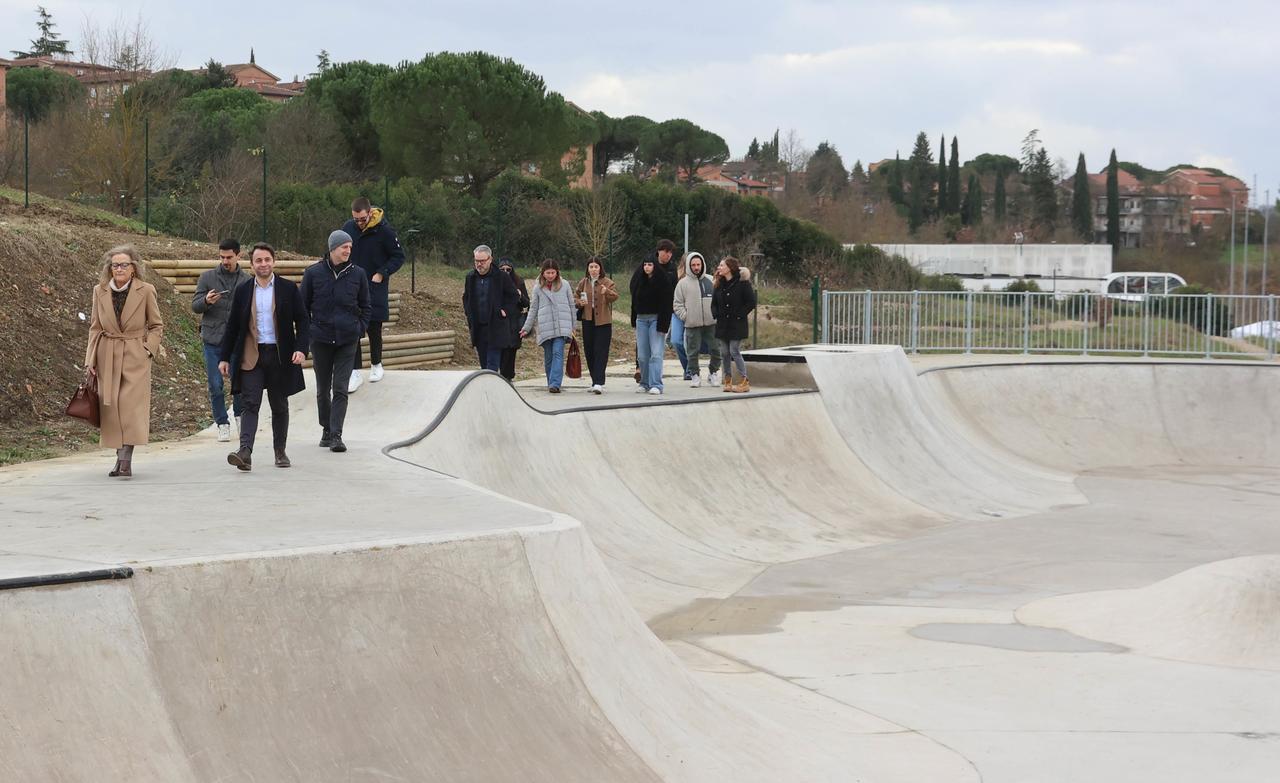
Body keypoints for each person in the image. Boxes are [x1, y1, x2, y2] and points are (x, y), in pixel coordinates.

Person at [219, 243, 309, 471]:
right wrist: (224, 357)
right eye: (258, 260)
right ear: (251, 265)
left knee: (279, 405)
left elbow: (303, 320)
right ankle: (245, 452)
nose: (263, 264)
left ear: (274, 261)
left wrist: (301, 348)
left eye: (267, 259)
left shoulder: (288, 289)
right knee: (250, 404)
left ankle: (280, 451)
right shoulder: (243, 290)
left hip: (280, 356)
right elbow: (232, 327)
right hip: (252, 355)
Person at [84, 245, 164, 478]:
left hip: (135, 355)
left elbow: (156, 325)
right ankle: (120, 459)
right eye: (115, 265)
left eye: (124, 265)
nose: (119, 269)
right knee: (112, 408)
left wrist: (147, 349)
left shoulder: (146, 290)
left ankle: (125, 460)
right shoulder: (99, 291)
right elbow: (95, 327)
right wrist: (90, 359)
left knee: (130, 408)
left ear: (134, 268)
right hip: (106, 354)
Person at [301, 230, 370, 454]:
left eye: (350, 247)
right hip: (320, 339)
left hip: (347, 340)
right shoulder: (313, 273)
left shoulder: (358, 274)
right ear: (333, 249)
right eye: (344, 247)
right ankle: (326, 428)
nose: (348, 251)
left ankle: (336, 434)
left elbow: (366, 307)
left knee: (340, 388)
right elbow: (303, 308)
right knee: (323, 389)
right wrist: (309, 331)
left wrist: (359, 329)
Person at [343, 196, 404, 391]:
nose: (359, 223)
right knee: (353, 330)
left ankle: (377, 365)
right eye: (356, 220)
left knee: (373, 328)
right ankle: (354, 372)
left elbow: (398, 256)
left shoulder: (384, 231)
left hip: (374, 285)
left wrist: (382, 272)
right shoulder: (348, 228)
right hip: (352, 285)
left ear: (370, 213)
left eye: (362, 219)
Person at [191, 238, 248, 442]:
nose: (225, 261)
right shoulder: (207, 277)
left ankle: (241, 418)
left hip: (237, 341)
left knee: (239, 384)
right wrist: (206, 301)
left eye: (229, 257)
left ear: (238, 255)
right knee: (215, 385)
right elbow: (195, 305)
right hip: (213, 339)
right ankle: (222, 422)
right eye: (222, 257)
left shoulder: (246, 280)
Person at [521, 259, 577, 393]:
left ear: (557, 272)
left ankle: (555, 383)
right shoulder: (537, 288)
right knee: (549, 357)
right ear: (543, 273)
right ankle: (550, 382)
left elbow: (571, 305)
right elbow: (533, 309)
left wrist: (573, 325)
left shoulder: (565, 285)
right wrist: (526, 328)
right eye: (548, 272)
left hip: (562, 326)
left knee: (558, 352)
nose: (550, 275)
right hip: (545, 327)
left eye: (553, 272)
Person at [463, 245, 519, 373]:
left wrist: (505, 310)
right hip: (478, 327)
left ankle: (491, 388)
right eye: (476, 261)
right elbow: (466, 297)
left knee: (492, 364)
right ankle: (488, 388)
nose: (479, 264)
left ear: (490, 259)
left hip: (496, 327)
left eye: (482, 261)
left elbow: (513, 296)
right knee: (484, 364)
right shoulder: (470, 277)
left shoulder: (501, 277)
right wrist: (469, 313)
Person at [673, 251, 721, 388]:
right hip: (692, 324)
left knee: (716, 350)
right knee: (692, 352)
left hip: (711, 323)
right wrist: (686, 316)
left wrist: (716, 315)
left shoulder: (711, 280)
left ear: (702, 264)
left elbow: (718, 300)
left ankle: (713, 373)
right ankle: (694, 374)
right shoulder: (682, 284)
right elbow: (677, 304)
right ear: (689, 265)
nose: (696, 267)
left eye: (698, 264)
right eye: (693, 264)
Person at [574, 257, 619, 394]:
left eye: (596, 267)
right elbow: (575, 297)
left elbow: (615, 297)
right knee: (589, 351)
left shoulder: (607, 282)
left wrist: (607, 292)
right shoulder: (583, 282)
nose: (593, 269)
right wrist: (578, 302)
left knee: (601, 351)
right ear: (588, 269)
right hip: (588, 320)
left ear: (600, 268)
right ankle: (594, 381)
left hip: (603, 322)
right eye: (591, 267)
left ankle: (599, 382)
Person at [629, 255, 673, 395]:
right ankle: (644, 382)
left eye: (650, 264)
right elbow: (634, 302)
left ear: (655, 266)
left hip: (656, 319)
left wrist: (663, 325)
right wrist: (634, 319)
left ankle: (656, 384)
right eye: (645, 264)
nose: (647, 267)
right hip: (641, 320)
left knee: (655, 353)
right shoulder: (639, 281)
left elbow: (666, 304)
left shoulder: (662, 281)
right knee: (642, 355)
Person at [712, 256, 756, 393]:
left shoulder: (742, 283)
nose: (719, 268)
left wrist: (739, 314)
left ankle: (744, 379)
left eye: (721, 265)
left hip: (737, 324)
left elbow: (751, 302)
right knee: (724, 352)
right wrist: (716, 314)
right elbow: (714, 303)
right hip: (722, 324)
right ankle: (727, 379)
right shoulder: (719, 284)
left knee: (734, 350)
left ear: (729, 268)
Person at [654, 239, 688, 380]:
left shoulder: (672, 269)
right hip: (668, 311)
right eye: (666, 252)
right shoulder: (673, 271)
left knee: (689, 343)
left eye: (671, 252)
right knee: (675, 341)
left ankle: (691, 369)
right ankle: (689, 368)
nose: (668, 255)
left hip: (679, 312)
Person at [497, 258, 529, 381]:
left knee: (512, 349)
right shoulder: (495, 282)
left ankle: (509, 375)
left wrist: (520, 296)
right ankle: (502, 375)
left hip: (515, 320)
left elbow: (526, 303)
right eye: (502, 269)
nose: (505, 272)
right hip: (501, 319)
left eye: (508, 270)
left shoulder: (518, 282)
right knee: (502, 349)